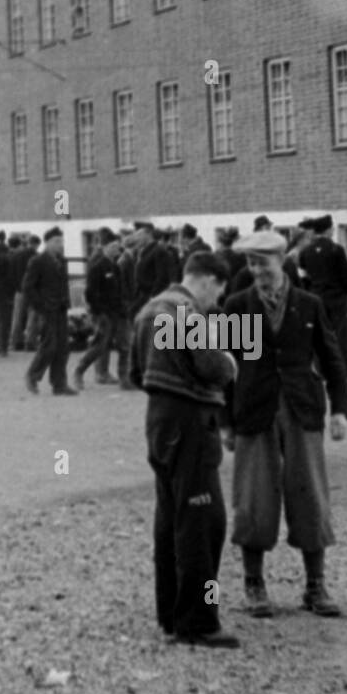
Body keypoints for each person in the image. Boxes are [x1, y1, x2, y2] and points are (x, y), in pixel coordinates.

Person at [223, 229, 347, 618]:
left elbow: (332, 359)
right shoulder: (238, 306)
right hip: (254, 408)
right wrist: (226, 422)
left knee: (310, 493)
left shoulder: (309, 305)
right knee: (254, 496)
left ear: (282, 260)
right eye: (250, 262)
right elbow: (227, 368)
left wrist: (340, 410)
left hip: (301, 408)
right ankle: (254, 585)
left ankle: (316, 586)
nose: (256, 270)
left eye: (263, 261)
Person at [132, 252, 238, 647]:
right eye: (220, 289)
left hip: (158, 420)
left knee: (171, 516)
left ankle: (171, 614)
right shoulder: (188, 313)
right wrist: (230, 363)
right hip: (192, 423)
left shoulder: (149, 310)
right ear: (208, 279)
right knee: (203, 521)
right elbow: (212, 366)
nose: (218, 299)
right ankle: (198, 620)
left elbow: (133, 371)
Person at [297, 215, 347, 379]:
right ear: (328, 230)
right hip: (336, 297)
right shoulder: (336, 249)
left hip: (317, 296)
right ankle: (344, 369)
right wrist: (346, 292)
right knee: (341, 334)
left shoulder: (306, 251)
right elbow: (346, 276)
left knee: (320, 335)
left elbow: (303, 275)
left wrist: (311, 290)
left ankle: (322, 369)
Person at [73, 229, 129, 389]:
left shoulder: (115, 267)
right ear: (104, 247)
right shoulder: (97, 267)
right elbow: (90, 293)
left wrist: (123, 308)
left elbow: (119, 290)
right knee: (100, 346)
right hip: (104, 313)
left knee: (125, 345)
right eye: (112, 246)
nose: (116, 249)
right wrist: (99, 311)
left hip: (118, 312)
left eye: (117, 246)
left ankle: (124, 378)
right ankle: (79, 370)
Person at [23, 227, 75, 396]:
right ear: (47, 243)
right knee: (49, 345)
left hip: (60, 308)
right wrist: (41, 306)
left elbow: (63, 284)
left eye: (61, 241)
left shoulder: (61, 261)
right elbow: (28, 287)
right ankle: (33, 375)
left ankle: (59, 384)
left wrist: (66, 301)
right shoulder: (37, 261)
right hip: (47, 310)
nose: (60, 245)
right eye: (56, 241)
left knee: (62, 347)